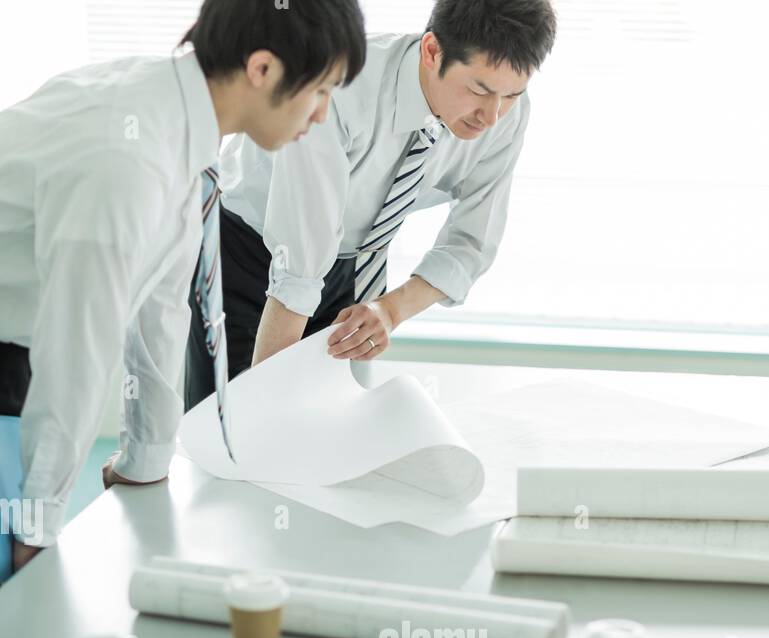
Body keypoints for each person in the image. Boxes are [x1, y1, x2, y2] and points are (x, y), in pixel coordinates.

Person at [0, 0, 366, 581]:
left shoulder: (182, 133)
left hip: (19, 345)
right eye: (320, 91)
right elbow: (77, 349)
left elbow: (161, 305)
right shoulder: (125, 158)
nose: (323, 116)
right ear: (264, 69)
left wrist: (146, 455)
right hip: (28, 344)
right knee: (15, 575)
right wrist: (38, 526)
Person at [184, 0, 558, 410]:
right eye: (479, 90)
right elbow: (300, 265)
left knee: (330, 430)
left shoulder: (506, 115)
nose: (491, 116)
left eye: (512, 94)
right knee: (230, 428)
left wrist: (389, 310)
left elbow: (469, 243)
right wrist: (268, 412)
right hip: (244, 253)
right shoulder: (340, 87)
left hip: (349, 266)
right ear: (432, 52)